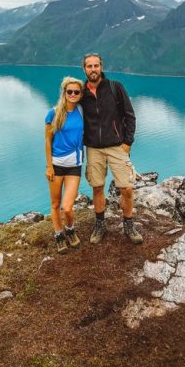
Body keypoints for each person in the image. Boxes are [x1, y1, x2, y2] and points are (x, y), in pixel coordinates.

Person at [79, 53, 143, 245]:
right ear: (84, 70)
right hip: (94, 148)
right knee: (97, 187)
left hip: (117, 147)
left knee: (127, 189)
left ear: (101, 67)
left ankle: (129, 224)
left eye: (96, 66)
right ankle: (100, 224)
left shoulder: (115, 87)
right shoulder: (80, 92)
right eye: (89, 66)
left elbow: (130, 116)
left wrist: (127, 143)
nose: (93, 69)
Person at [45, 76, 84, 253]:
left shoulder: (82, 112)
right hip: (56, 164)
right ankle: (59, 235)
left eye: (76, 92)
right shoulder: (53, 113)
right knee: (55, 204)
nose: (73, 94)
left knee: (67, 207)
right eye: (70, 92)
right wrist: (49, 166)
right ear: (64, 93)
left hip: (74, 165)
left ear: (80, 94)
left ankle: (70, 229)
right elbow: (47, 140)